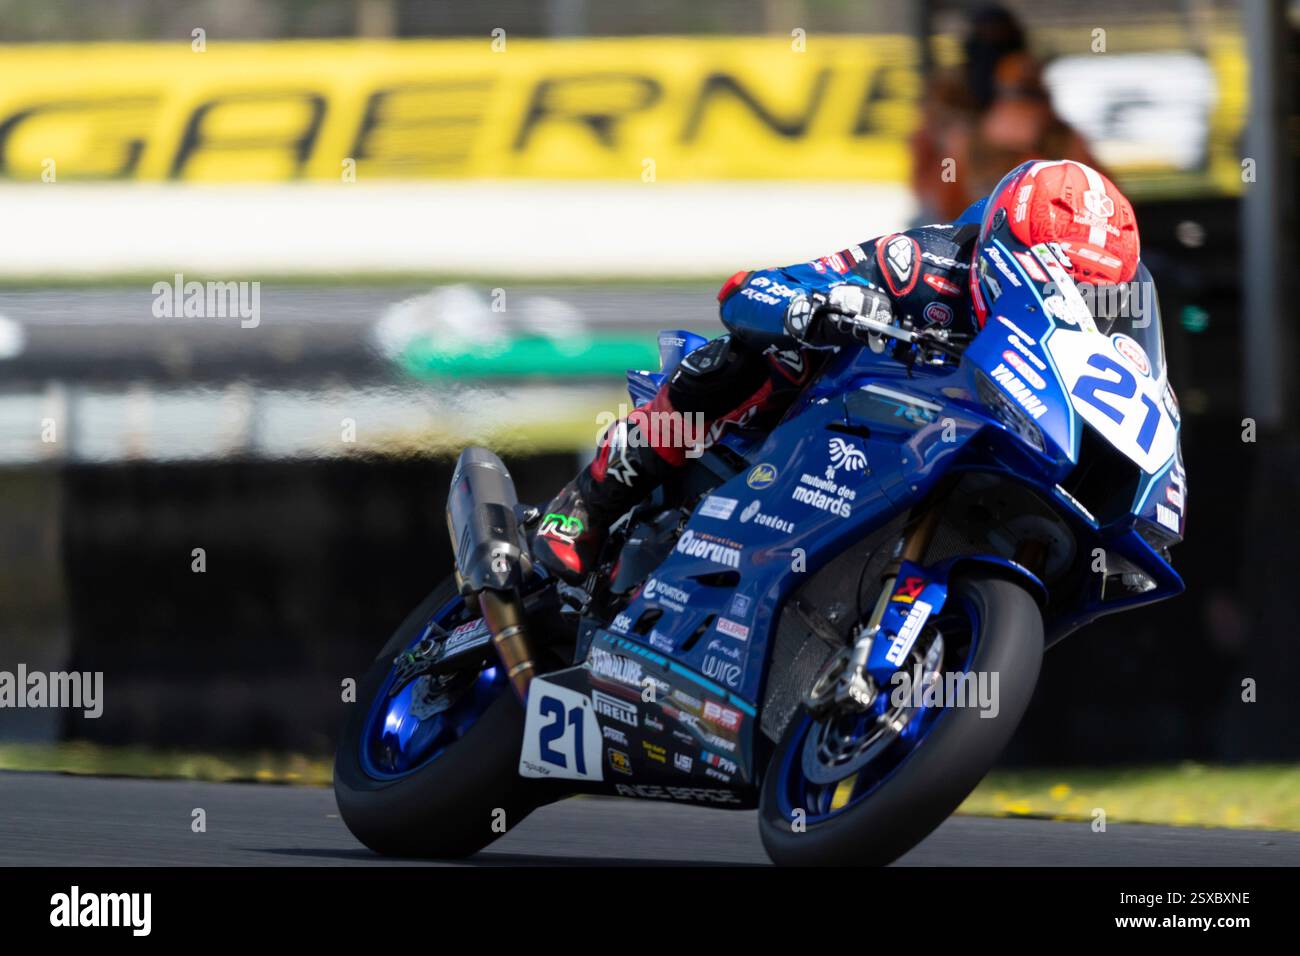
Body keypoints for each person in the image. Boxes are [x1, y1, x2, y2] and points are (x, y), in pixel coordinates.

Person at [532, 159, 1141, 581]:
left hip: (933, 461)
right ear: (1004, 247)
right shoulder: (923, 262)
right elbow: (749, 290)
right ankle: (587, 504)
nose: (1068, 301)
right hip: (824, 428)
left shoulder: (1097, 348)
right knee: (760, 357)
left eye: (1092, 293)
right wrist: (814, 308)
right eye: (1055, 278)